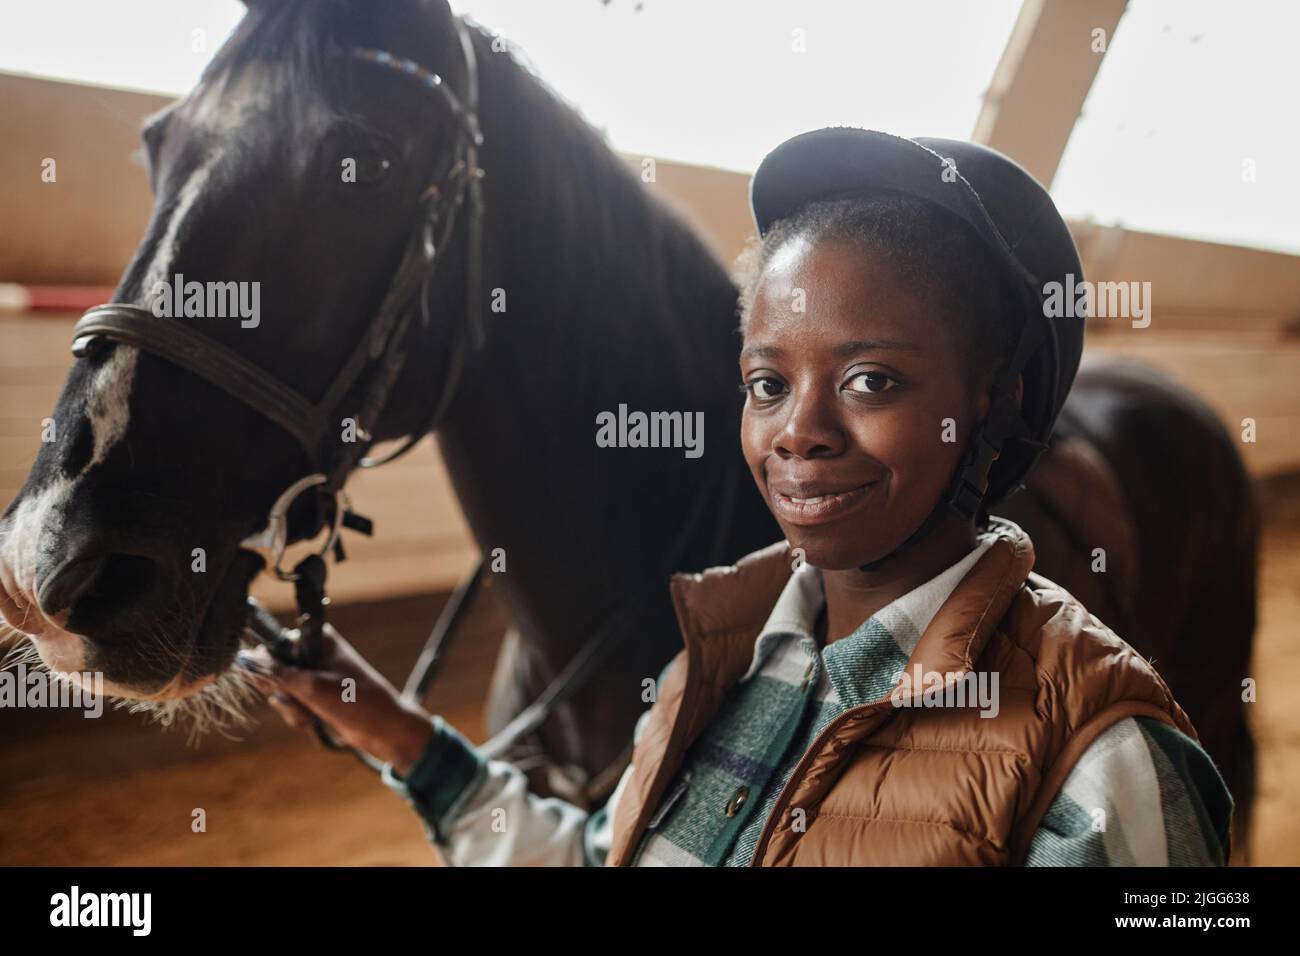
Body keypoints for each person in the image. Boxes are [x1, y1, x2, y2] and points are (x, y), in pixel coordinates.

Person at [241, 127, 1233, 866]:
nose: (797, 429)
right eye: (768, 382)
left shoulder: (1111, 770)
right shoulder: (711, 671)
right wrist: (391, 729)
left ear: (991, 401)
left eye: (871, 379)